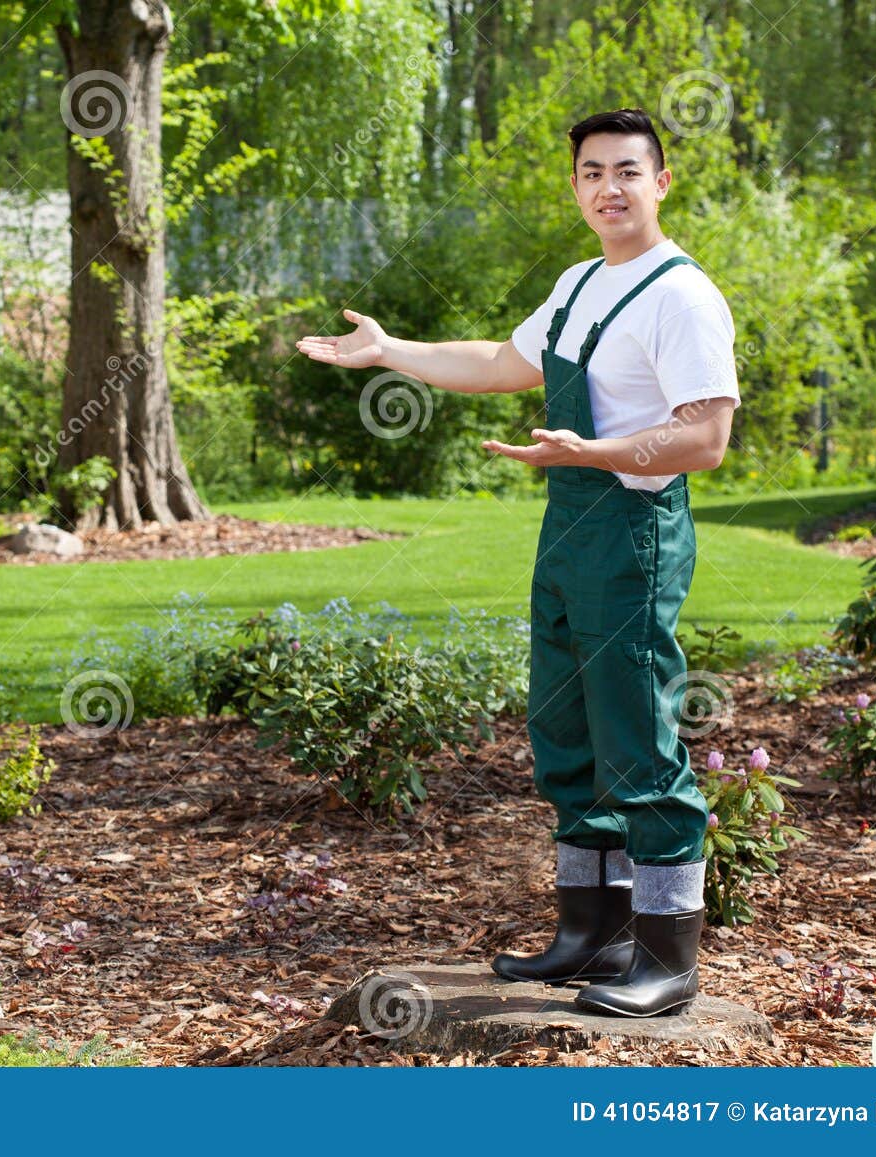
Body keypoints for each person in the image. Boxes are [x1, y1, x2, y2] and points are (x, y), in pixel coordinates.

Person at [293, 108, 739, 1017]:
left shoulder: (682, 295)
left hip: (634, 531)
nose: (608, 188)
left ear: (662, 182)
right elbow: (503, 360)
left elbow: (706, 437)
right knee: (567, 731)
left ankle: (666, 955)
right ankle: (594, 930)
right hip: (570, 528)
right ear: (575, 186)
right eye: (590, 173)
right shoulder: (580, 282)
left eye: (626, 171)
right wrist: (391, 353)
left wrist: (586, 453)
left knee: (639, 739)